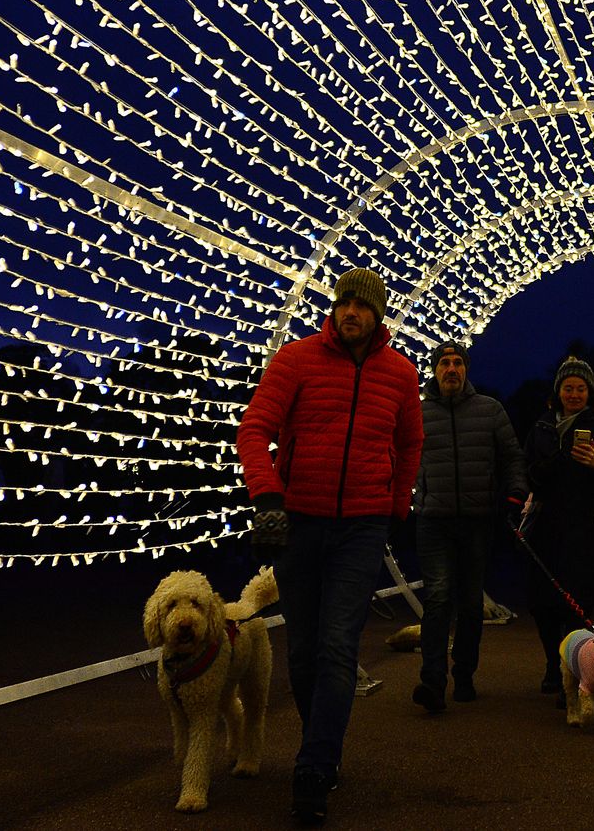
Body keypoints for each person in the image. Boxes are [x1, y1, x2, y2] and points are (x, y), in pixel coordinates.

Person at [237, 268, 422, 826]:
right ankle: (318, 742)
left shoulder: (400, 373)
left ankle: (316, 766)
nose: (350, 313)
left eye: (361, 306)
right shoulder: (296, 359)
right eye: (344, 303)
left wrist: (396, 508)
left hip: (362, 528)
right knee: (304, 651)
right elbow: (254, 429)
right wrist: (267, 494)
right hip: (298, 522)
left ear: (378, 314)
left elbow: (410, 442)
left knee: (338, 647)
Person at [410, 339, 526, 712]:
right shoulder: (418, 412)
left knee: (471, 603)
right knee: (438, 598)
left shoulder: (489, 410)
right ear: (434, 370)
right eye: (445, 363)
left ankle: (464, 674)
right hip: (433, 520)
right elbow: (399, 455)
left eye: (458, 363)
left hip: (477, 521)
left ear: (466, 369)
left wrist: (514, 495)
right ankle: (432, 681)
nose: (451, 369)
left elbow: (512, 457)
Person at [523, 357, 594, 698]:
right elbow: (529, 470)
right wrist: (557, 460)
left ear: (589, 392)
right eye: (568, 388)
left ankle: (573, 671)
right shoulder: (541, 427)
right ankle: (553, 663)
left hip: (585, 528)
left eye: (580, 388)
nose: (574, 394)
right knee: (543, 603)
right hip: (546, 527)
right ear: (558, 391)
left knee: (578, 603)